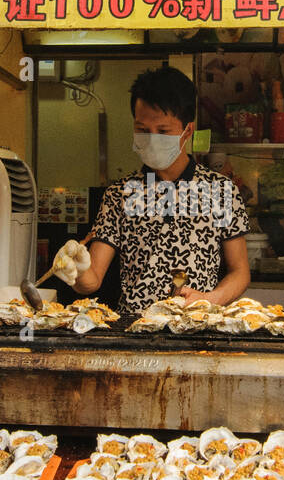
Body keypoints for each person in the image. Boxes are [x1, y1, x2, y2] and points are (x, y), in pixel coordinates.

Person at [51, 67, 251, 313]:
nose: (152, 138)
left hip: (198, 327)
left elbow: (240, 272)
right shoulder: (120, 194)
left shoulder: (220, 190)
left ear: (187, 130)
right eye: (143, 130)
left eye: (163, 131)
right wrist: (77, 270)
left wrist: (212, 298)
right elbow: (92, 282)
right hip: (134, 331)